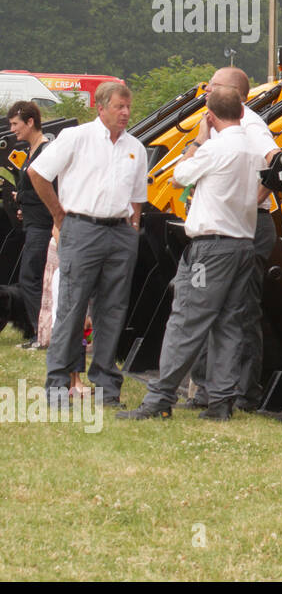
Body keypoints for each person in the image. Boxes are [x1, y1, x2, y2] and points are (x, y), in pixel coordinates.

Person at [118, 86, 264, 421]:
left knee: (186, 320)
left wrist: (199, 140)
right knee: (229, 324)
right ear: (242, 114)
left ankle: (160, 397)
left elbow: (180, 177)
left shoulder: (213, 148)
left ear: (210, 117)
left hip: (210, 249)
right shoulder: (253, 149)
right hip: (243, 244)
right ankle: (220, 402)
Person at [28, 83, 147, 406]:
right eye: (119, 107)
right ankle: (57, 384)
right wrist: (60, 216)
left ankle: (107, 387)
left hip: (120, 232)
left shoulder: (135, 147)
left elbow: (138, 197)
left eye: (127, 107)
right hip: (82, 227)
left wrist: (132, 228)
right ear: (101, 107)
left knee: (113, 309)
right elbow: (37, 172)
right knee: (72, 306)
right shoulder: (75, 138)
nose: (125, 113)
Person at [180, 67, 278, 412]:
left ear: (235, 93)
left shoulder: (249, 124)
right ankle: (210, 390)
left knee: (240, 312)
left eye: (213, 87)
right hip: (233, 228)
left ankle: (243, 393)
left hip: (247, 227)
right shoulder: (218, 123)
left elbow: (277, 163)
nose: (206, 91)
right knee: (219, 310)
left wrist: (249, 201)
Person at [8, 101, 53, 350]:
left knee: (30, 278)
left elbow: (46, 190)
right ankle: (40, 331)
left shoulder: (45, 152)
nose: (13, 129)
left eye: (16, 124)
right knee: (31, 277)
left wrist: (21, 198)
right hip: (33, 223)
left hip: (42, 228)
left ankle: (41, 333)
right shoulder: (31, 151)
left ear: (30, 122)